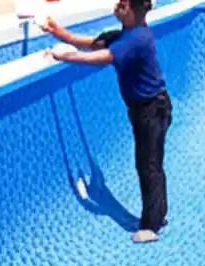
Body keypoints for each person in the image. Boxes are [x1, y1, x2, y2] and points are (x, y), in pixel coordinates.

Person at [41, 1, 171, 244]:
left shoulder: (137, 39)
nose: (116, 7)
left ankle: (151, 226)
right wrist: (59, 33)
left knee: (149, 165)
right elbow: (90, 43)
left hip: (153, 109)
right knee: (151, 163)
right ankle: (158, 214)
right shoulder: (125, 34)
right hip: (146, 108)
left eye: (122, 5)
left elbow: (103, 57)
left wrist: (64, 56)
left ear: (134, 11)